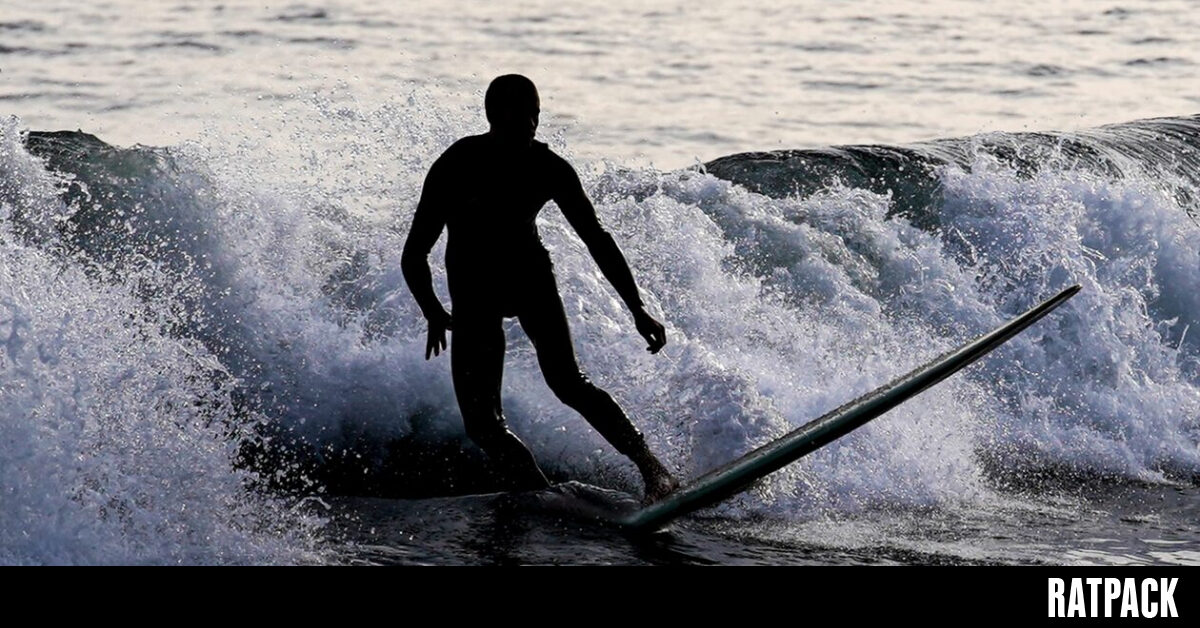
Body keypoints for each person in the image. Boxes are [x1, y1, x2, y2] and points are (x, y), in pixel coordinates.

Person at [401, 74, 678, 503]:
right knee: (483, 426)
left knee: (568, 383)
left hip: (529, 277)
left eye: (532, 117)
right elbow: (414, 253)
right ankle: (544, 497)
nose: (526, 127)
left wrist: (637, 308)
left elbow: (597, 238)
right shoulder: (458, 163)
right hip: (474, 291)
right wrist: (432, 310)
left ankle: (654, 470)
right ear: (492, 118)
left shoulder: (549, 167)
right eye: (515, 118)